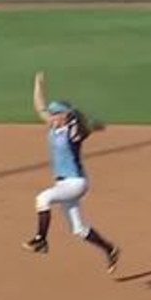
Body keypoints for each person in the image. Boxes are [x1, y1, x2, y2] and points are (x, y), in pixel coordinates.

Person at [22, 71, 120, 274]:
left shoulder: (72, 132)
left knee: (43, 198)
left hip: (76, 183)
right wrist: (38, 84)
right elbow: (39, 107)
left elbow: (88, 128)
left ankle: (41, 240)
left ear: (65, 115)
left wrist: (92, 125)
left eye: (56, 114)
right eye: (52, 114)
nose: (52, 116)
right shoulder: (53, 128)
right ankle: (110, 250)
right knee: (79, 230)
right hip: (63, 185)